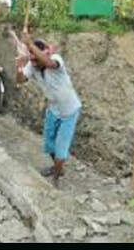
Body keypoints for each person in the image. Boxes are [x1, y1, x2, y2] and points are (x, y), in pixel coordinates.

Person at [14, 33, 83, 187]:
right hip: (53, 109)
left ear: (44, 52)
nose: (33, 62)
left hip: (69, 111)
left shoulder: (56, 60)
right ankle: (57, 168)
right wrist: (19, 67)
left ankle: (56, 179)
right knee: (49, 144)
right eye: (31, 58)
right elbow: (20, 80)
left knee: (61, 149)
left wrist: (30, 44)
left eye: (35, 58)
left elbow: (49, 63)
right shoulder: (33, 65)